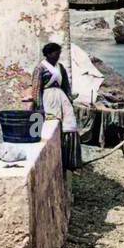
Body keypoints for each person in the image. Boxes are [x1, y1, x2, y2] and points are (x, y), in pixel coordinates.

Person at [35, 42, 81, 171]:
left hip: (61, 97)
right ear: (49, 54)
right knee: (53, 124)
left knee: (69, 125)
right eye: (56, 53)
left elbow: (66, 86)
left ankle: (70, 160)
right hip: (48, 98)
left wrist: (70, 99)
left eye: (59, 53)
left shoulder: (60, 68)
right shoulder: (40, 68)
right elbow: (37, 89)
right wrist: (39, 107)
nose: (58, 56)